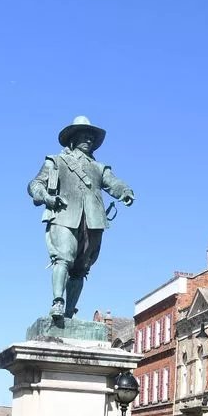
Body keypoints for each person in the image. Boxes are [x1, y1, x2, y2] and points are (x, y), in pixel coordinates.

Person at [28, 116, 135, 320]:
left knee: (80, 269)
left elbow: (113, 183)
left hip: (93, 221)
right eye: (84, 136)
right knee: (63, 257)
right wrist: (46, 197)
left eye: (91, 137)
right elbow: (35, 184)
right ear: (73, 138)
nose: (89, 140)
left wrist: (125, 191)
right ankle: (58, 302)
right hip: (64, 215)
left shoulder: (99, 168)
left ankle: (69, 312)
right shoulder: (56, 161)